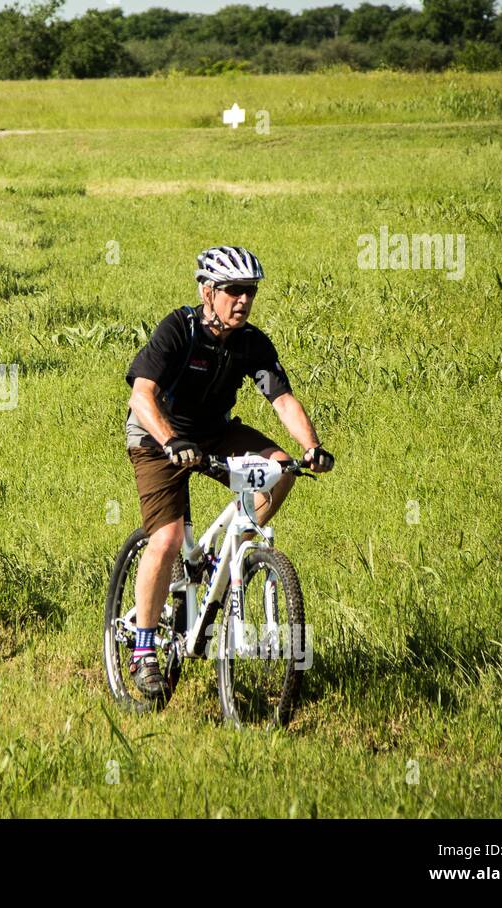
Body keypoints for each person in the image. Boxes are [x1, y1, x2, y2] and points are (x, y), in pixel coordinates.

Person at [123, 246, 336, 699]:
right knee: (164, 537)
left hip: (215, 433)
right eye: (234, 291)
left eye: (250, 292)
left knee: (282, 469)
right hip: (157, 435)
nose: (243, 300)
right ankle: (143, 651)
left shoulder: (251, 342)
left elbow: (281, 400)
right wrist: (171, 442)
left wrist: (311, 446)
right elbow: (141, 395)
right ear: (208, 291)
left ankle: (234, 548)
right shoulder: (178, 329)